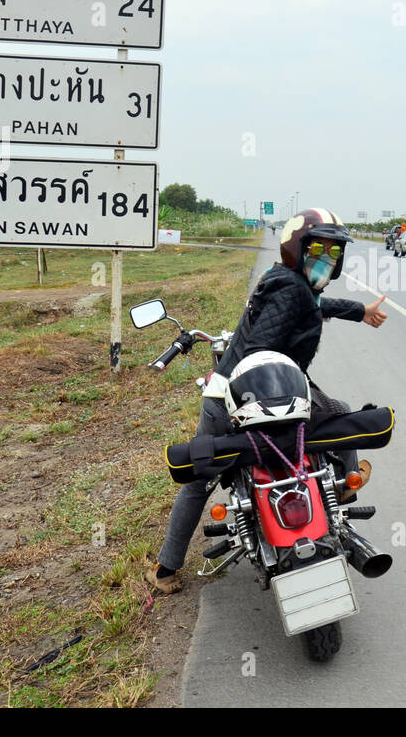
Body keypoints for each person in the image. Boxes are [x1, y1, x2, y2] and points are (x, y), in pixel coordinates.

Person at [149, 207, 388, 593]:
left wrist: (359, 311)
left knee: (198, 480)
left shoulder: (285, 282)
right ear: (297, 249)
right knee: (340, 413)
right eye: (318, 249)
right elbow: (261, 348)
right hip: (260, 395)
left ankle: (165, 569)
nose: (326, 258)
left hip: (226, 394)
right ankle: (344, 488)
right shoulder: (291, 288)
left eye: (333, 252)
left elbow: (312, 305)